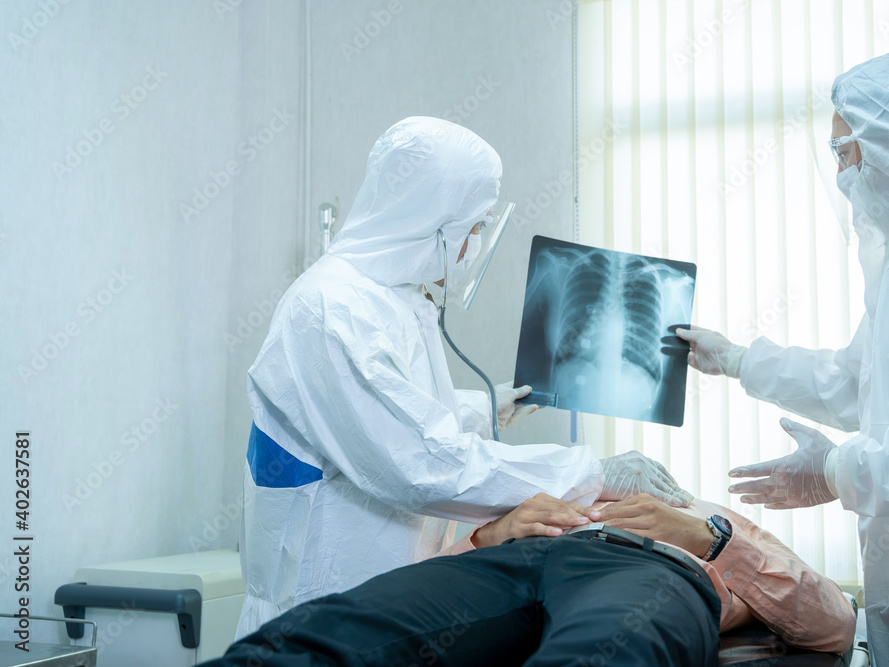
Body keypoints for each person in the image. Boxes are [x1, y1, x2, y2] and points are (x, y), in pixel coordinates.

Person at [237, 116, 693, 638]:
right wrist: (591, 472)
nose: (474, 245)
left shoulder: (395, 298)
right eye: (473, 228)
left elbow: (389, 409)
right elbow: (418, 462)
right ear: (428, 223)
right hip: (321, 612)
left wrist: (485, 406)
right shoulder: (329, 309)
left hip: (389, 600)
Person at [676, 51, 889, 665]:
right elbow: (859, 385)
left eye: (847, 151)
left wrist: (835, 474)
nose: (844, 173)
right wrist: (740, 360)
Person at [203, 492, 856, 666]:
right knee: (327, 632)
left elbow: (833, 622)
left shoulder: (709, 519)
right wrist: (492, 531)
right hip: (521, 555)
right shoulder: (551, 499)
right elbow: (420, 590)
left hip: (652, 566)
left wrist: (707, 533)